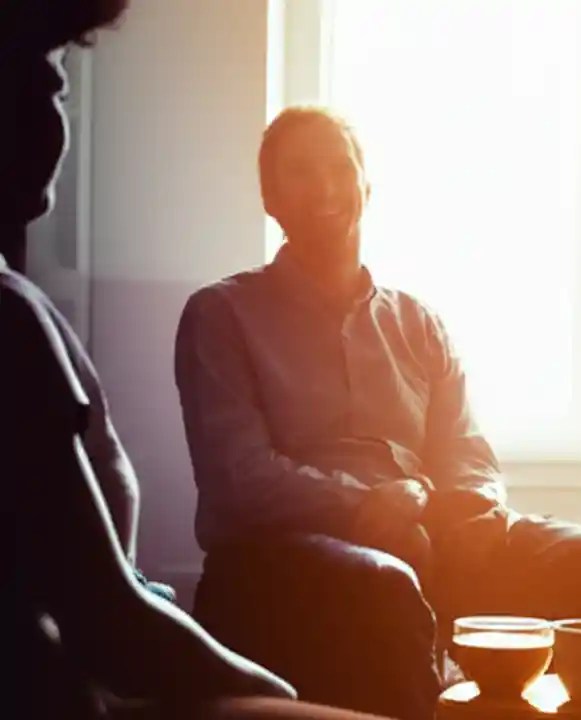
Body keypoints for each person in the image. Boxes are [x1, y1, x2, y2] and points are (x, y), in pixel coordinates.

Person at [173, 106, 581, 717]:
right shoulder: (221, 315)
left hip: (426, 533)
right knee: (386, 580)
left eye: (340, 167)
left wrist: (471, 509)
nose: (325, 188)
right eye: (301, 172)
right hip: (280, 561)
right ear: (270, 199)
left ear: (367, 185)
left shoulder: (418, 322)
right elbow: (241, 479)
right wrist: (365, 506)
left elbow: (468, 453)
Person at [0, 1, 396, 718]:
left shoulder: (416, 323)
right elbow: (110, 622)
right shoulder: (17, 321)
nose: (57, 117)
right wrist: (276, 695)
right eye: (53, 78)